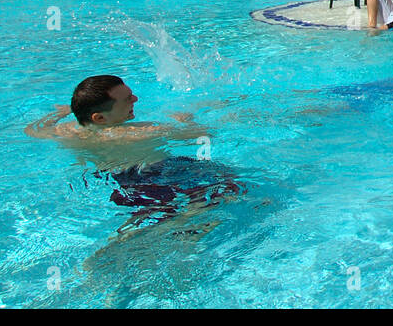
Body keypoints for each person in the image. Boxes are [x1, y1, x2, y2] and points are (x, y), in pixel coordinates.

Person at [26, 75, 241, 233]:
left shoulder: (67, 132)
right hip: (159, 176)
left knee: (157, 221)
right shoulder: (140, 133)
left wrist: (64, 113)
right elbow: (204, 133)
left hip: (121, 184)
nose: (135, 99)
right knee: (230, 190)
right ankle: (188, 227)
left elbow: (33, 130)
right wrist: (186, 120)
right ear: (100, 118)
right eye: (128, 99)